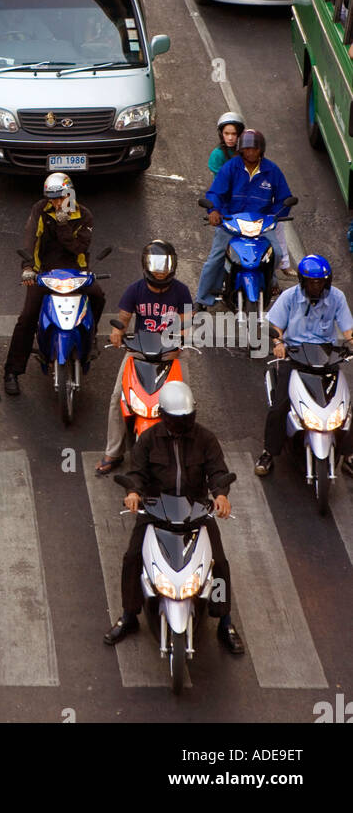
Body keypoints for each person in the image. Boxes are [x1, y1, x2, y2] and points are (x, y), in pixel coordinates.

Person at [103, 382, 244, 655]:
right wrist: (133, 492)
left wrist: (221, 495)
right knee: (132, 557)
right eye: (177, 419)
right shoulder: (148, 440)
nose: (182, 424)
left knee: (220, 562)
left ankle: (225, 621)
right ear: (164, 415)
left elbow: (217, 471)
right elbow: (137, 473)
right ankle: (129, 615)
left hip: (197, 510)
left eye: (186, 418)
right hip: (156, 511)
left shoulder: (206, 439)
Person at [96, 241, 191, 475]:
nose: (161, 271)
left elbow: (185, 324)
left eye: (165, 266)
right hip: (139, 349)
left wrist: (179, 341)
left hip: (171, 351)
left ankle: (186, 450)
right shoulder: (135, 290)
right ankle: (113, 452)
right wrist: (117, 333)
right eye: (157, 265)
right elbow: (123, 320)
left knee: (186, 401)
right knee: (118, 397)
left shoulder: (181, 291)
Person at [3, 173, 103, 395]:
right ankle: (12, 371)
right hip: (45, 273)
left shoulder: (84, 215)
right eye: (53, 199)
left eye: (61, 198)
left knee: (98, 296)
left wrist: (63, 224)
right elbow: (31, 238)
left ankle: (91, 336)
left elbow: (78, 248)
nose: (56, 203)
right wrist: (27, 268)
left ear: (70, 194)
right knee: (28, 317)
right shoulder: (40, 209)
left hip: (75, 273)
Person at [255, 256, 353, 477]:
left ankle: (349, 455)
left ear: (327, 282)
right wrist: (278, 343)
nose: (315, 286)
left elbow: (348, 331)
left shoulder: (337, 297)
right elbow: (275, 326)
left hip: (327, 358)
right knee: (279, 406)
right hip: (295, 356)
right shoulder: (289, 297)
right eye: (311, 282)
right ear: (302, 281)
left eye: (320, 282)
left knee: (345, 407)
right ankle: (268, 452)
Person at [195, 128, 292, 309]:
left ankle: (270, 282)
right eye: (247, 149)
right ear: (241, 150)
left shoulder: (272, 170)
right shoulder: (231, 167)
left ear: (261, 151)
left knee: (276, 254)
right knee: (215, 258)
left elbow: (283, 198)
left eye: (254, 149)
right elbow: (216, 192)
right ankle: (201, 299)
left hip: (261, 225)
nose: (250, 152)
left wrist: (276, 215)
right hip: (231, 223)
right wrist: (214, 211)